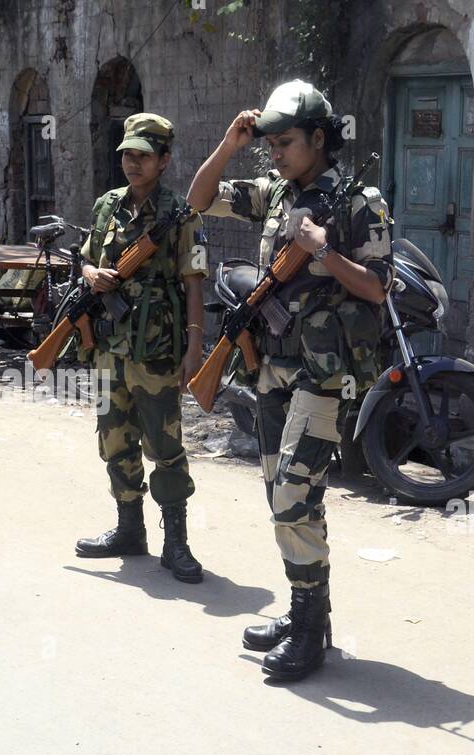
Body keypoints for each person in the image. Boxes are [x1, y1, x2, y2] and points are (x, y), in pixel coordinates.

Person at [188, 81, 393, 680]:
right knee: (284, 489)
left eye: (286, 143)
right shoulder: (274, 194)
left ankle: (307, 634)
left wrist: (323, 252)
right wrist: (228, 146)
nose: (274, 153)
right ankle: (309, 611)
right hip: (271, 367)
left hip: (322, 374)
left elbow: (379, 287)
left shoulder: (361, 203)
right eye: (269, 143)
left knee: (293, 498)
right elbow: (201, 199)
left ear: (319, 140)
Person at [73, 114, 207, 582]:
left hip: (157, 350)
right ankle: (129, 528)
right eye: (128, 154)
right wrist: (92, 274)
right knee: (114, 439)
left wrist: (195, 347)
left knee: (165, 444)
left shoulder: (180, 213)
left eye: (143, 155)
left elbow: (194, 284)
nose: (132, 163)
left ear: (164, 161)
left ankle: (176, 542)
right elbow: (87, 258)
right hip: (111, 345)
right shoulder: (107, 206)